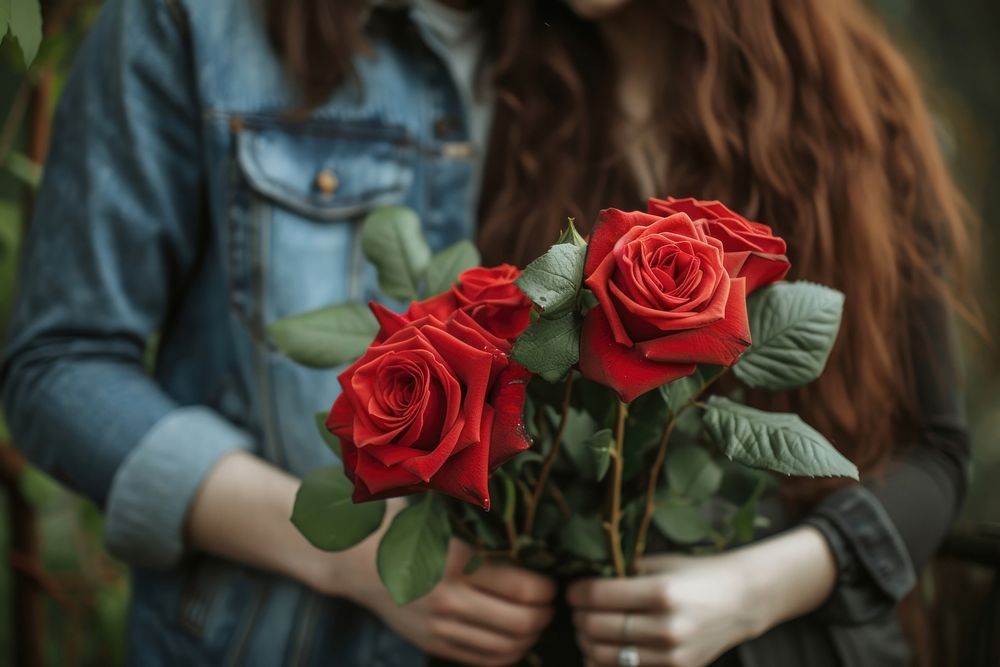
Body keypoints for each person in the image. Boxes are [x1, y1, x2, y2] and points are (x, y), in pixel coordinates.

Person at [1, 1, 974, 667]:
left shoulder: (843, 117)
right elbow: (60, 367)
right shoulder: (530, 88)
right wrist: (355, 551)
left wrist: (758, 585)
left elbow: (932, 449)